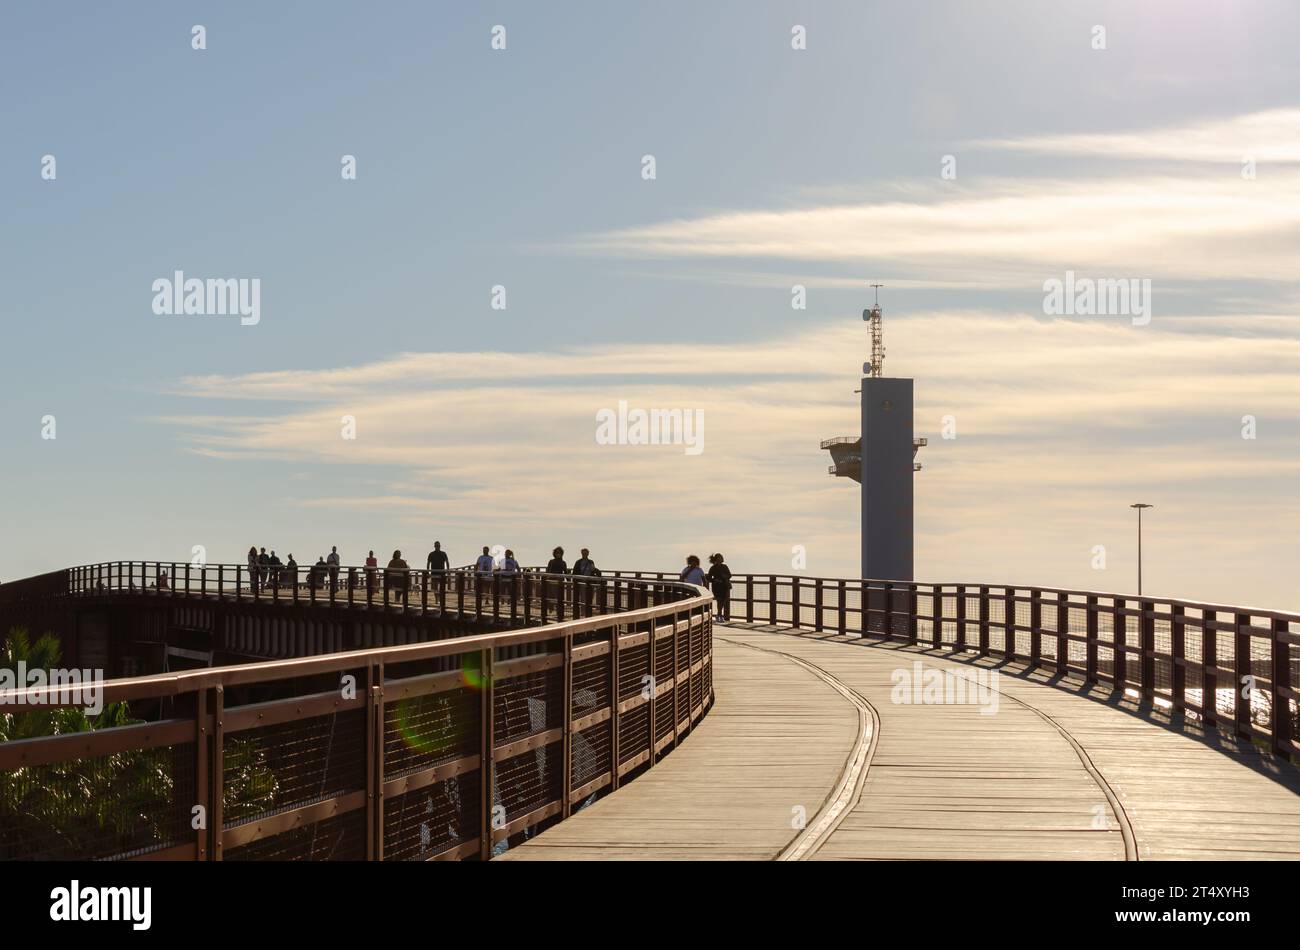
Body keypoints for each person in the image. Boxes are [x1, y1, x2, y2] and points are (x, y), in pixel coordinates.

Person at [706, 553, 733, 621]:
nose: (721, 559)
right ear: (716, 559)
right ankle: (720, 615)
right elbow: (709, 577)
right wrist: (715, 580)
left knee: (723, 601)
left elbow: (730, 575)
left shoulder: (725, 566)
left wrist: (725, 576)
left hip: (724, 586)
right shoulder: (713, 567)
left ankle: (719, 615)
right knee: (719, 600)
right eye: (719, 558)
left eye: (721, 558)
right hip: (716, 587)